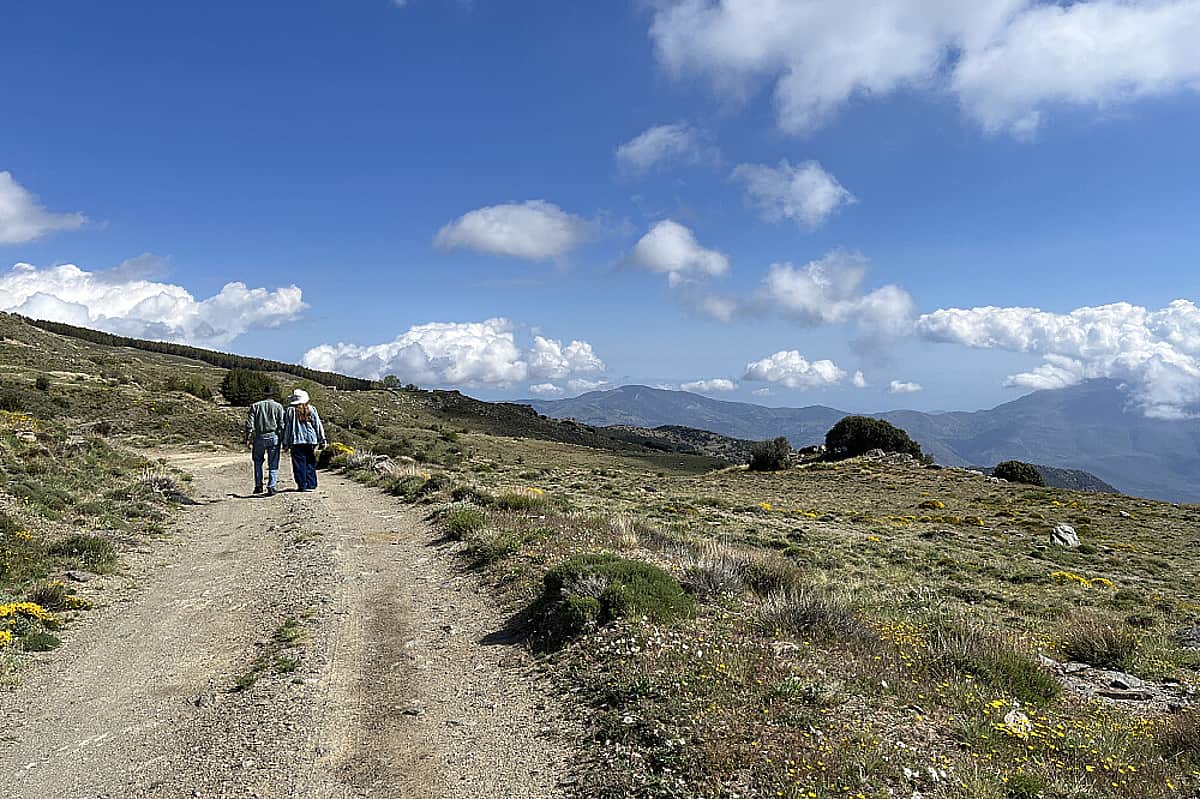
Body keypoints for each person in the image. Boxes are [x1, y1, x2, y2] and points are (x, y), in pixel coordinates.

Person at [282, 388, 326, 492]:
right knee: (310, 461)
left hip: (296, 440)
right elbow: (317, 425)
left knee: (298, 463)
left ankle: (302, 485)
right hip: (310, 439)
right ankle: (312, 483)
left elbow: (287, 427)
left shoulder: (290, 411)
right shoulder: (311, 409)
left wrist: (285, 442)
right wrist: (322, 438)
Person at [245, 385, 285, 496]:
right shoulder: (278, 407)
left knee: (257, 461)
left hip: (259, 437)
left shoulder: (255, 406)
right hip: (273, 436)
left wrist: (248, 437)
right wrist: (283, 439)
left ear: (264, 394)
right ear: (273, 394)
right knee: (273, 462)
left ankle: (258, 485)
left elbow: (250, 424)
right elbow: (282, 424)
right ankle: (271, 486)